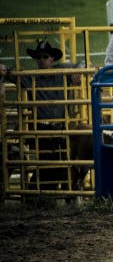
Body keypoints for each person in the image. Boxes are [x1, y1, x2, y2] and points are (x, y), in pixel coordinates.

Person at [19, 40, 81, 192]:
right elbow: (12, 75)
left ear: (52, 59)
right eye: (39, 57)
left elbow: (85, 63)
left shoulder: (62, 70)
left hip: (60, 128)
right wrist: (5, 70)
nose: (41, 60)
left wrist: (78, 70)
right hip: (42, 130)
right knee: (49, 163)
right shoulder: (31, 76)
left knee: (58, 163)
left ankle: (42, 194)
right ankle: (42, 194)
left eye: (45, 56)